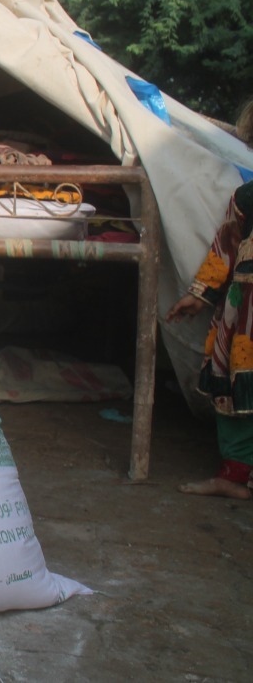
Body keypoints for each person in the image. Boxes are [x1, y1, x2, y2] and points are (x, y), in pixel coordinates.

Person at [166, 97, 253, 500]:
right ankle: (233, 477)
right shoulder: (246, 199)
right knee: (235, 389)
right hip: (244, 312)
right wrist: (199, 295)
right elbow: (226, 248)